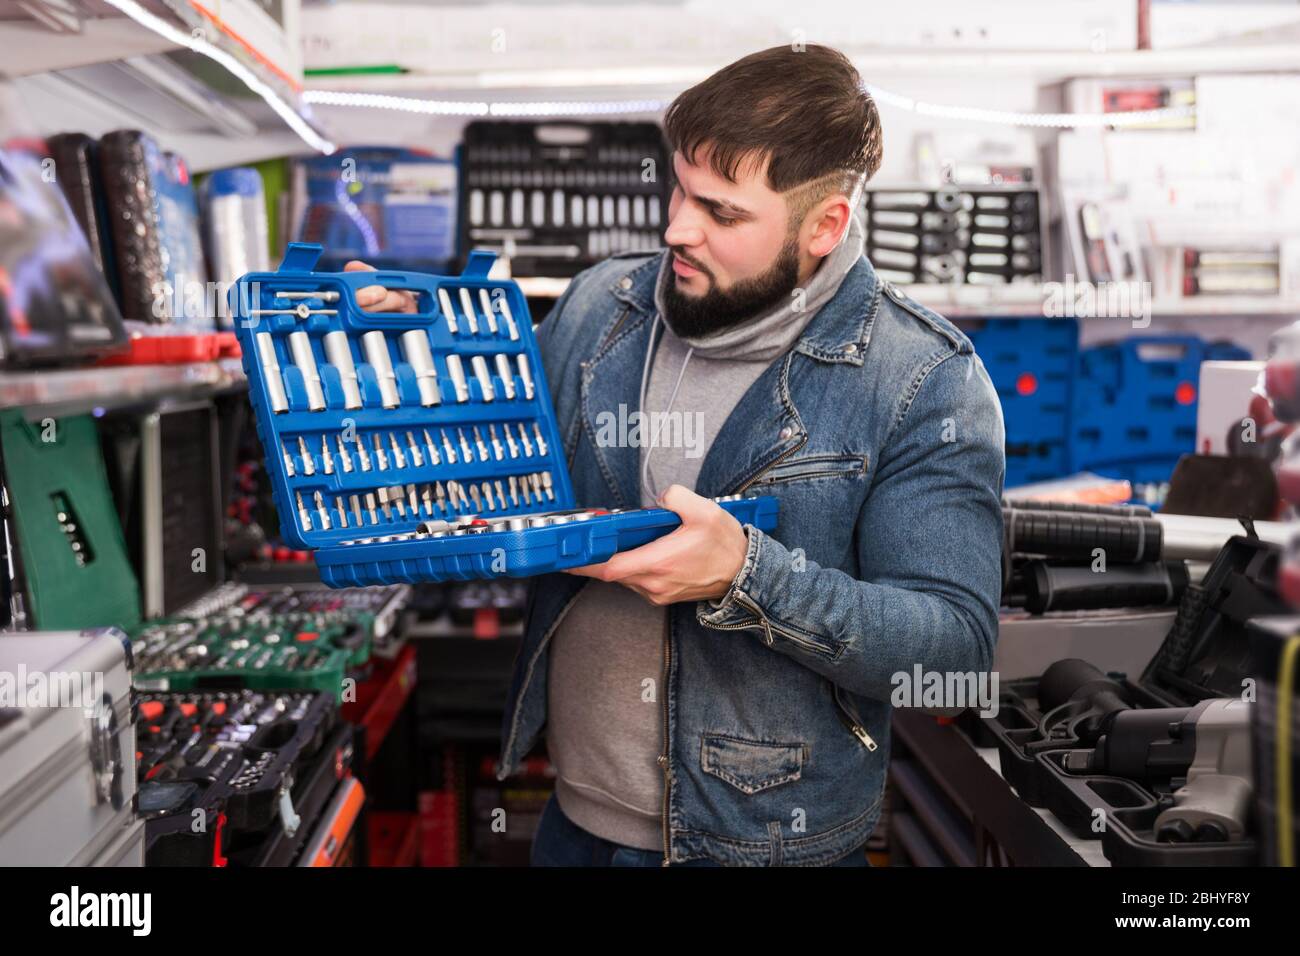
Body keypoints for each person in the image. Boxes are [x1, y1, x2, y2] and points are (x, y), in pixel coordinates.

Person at [350, 44, 1005, 867]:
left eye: (722, 213)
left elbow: (952, 648)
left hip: (762, 849)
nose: (676, 229)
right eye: (681, 189)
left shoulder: (919, 380)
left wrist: (747, 576)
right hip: (574, 823)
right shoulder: (603, 304)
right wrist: (416, 347)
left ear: (824, 226)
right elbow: (507, 463)